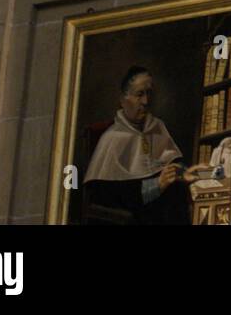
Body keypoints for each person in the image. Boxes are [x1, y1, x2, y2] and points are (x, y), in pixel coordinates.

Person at [83, 66, 201, 224]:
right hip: (132, 215)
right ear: (123, 100)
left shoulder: (157, 126)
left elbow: (173, 164)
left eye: (148, 93)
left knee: (177, 191)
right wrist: (155, 186)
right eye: (139, 94)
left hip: (164, 208)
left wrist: (182, 173)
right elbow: (105, 195)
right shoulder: (112, 137)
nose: (146, 101)